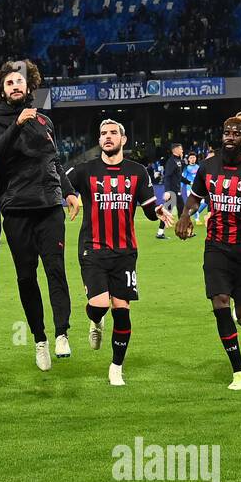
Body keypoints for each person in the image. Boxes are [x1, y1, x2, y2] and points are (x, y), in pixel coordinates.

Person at [0, 60, 81, 370]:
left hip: (49, 205)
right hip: (15, 209)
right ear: (2, 89)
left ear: (29, 87)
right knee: (26, 277)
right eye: (9, 82)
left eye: (20, 82)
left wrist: (68, 191)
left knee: (56, 270)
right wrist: (18, 124)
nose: (15, 86)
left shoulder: (45, 121)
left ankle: (61, 333)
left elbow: (53, 160)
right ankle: (39, 340)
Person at [175, 116, 241, 391]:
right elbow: (195, 196)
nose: (230, 135)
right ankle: (238, 371)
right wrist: (186, 215)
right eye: (227, 131)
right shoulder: (208, 166)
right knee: (220, 304)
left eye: (237, 132)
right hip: (216, 247)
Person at [65, 119, 170, 386]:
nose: (107, 137)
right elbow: (58, 178)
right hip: (93, 248)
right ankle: (96, 322)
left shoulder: (137, 172)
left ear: (123, 139)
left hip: (125, 251)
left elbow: (147, 208)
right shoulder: (86, 170)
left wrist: (157, 211)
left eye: (113, 133)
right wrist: (71, 196)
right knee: (100, 305)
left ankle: (116, 367)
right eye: (103, 133)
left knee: (121, 309)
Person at [155, 142, 184, 239]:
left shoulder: (178, 161)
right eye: (180, 149)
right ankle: (161, 233)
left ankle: (181, 231)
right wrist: (167, 191)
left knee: (180, 209)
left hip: (176, 190)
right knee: (169, 211)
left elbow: (179, 176)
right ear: (175, 150)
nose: (182, 150)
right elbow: (167, 176)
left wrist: (189, 182)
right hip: (172, 191)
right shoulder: (171, 161)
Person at [181, 153, 200, 224]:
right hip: (190, 188)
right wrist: (181, 187)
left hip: (198, 188)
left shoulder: (198, 167)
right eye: (191, 157)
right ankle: (197, 219)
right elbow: (183, 178)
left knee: (203, 203)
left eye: (194, 157)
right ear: (188, 159)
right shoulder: (186, 168)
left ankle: (189, 214)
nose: (193, 159)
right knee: (194, 203)